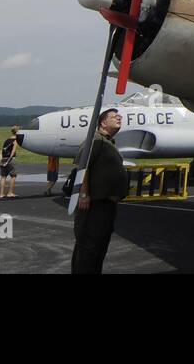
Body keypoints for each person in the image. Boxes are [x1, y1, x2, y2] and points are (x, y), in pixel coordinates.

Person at [71, 109, 128, 274]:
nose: (119, 117)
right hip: (94, 205)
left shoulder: (107, 142)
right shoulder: (95, 140)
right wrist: (84, 194)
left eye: (119, 116)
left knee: (98, 249)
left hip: (105, 206)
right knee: (88, 248)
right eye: (114, 116)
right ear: (103, 122)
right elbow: (83, 166)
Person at [0, 125, 19, 199]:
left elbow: (1, 151)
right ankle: (10, 192)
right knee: (13, 176)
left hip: (3, 159)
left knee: (3, 176)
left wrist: (1, 160)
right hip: (10, 159)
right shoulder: (15, 140)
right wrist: (10, 159)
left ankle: (1, 194)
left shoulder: (6, 140)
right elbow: (13, 152)